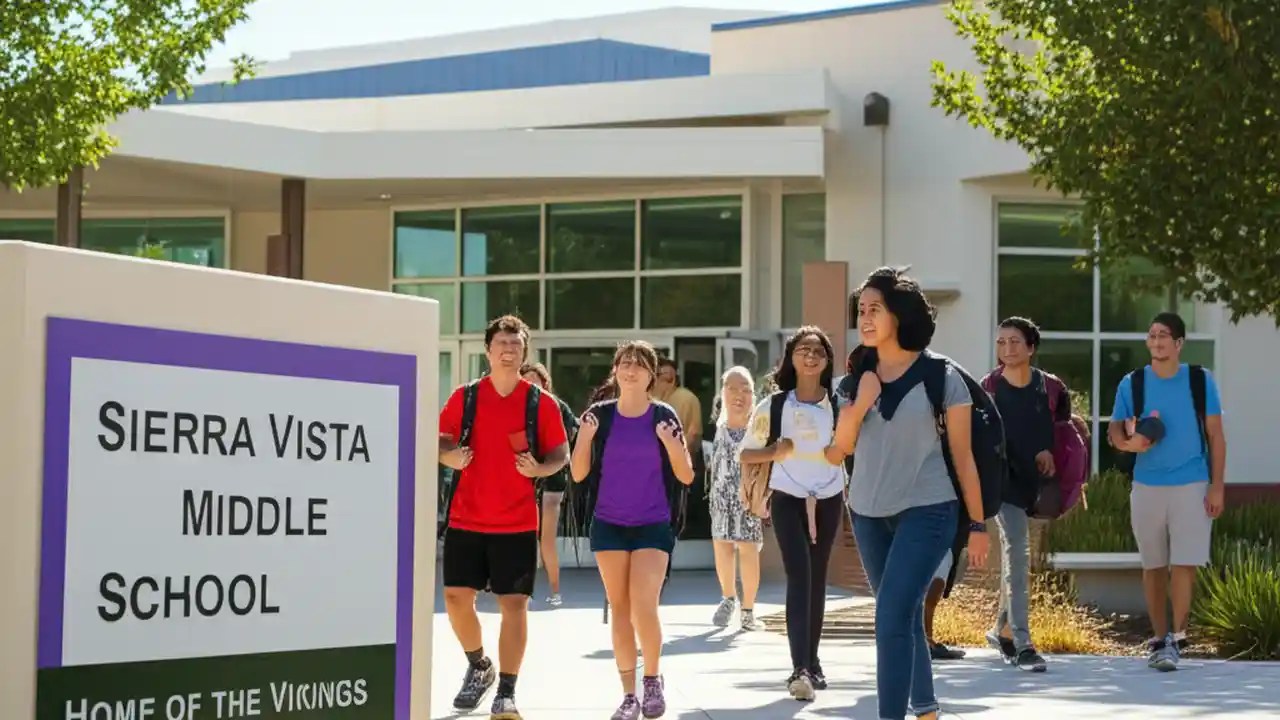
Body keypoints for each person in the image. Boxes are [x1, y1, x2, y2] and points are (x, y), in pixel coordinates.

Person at [834, 267, 990, 720]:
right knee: (900, 616)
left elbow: (964, 458)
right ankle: (926, 709)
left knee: (890, 617)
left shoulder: (942, 377)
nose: (864, 318)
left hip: (929, 509)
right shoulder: (854, 379)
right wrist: (860, 401)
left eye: (874, 309)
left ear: (898, 315)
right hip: (866, 511)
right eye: (860, 310)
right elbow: (837, 451)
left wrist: (977, 523)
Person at [438, 315, 570, 720]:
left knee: (514, 606)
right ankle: (480, 666)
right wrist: (449, 455)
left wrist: (540, 471)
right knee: (456, 600)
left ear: (524, 351)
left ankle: (507, 692)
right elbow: (438, 439)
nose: (509, 349)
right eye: (502, 343)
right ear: (488, 350)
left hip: (516, 522)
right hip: (466, 517)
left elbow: (559, 453)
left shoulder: (540, 403)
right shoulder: (466, 397)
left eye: (516, 344)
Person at [569, 340, 695, 720]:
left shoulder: (664, 415)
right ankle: (628, 695)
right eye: (625, 363)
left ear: (651, 375)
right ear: (615, 371)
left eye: (640, 365)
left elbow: (686, 474)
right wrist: (584, 439)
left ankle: (652, 680)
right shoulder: (598, 417)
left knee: (643, 604)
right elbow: (577, 473)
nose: (631, 370)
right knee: (620, 609)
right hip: (608, 525)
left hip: (652, 525)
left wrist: (672, 446)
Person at [1108, 311, 1226, 672]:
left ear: (1178, 344)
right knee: (1153, 564)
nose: (1157, 341)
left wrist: (1217, 486)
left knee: (1185, 564)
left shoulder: (1199, 381)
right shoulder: (1133, 383)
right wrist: (1129, 445)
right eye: (1152, 335)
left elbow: (1216, 436)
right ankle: (1159, 639)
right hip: (1147, 485)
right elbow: (1115, 431)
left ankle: (1178, 636)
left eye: (1164, 336)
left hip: (1191, 482)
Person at [739, 327, 846, 702]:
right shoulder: (774, 405)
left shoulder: (839, 403)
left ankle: (812, 662)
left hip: (830, 497)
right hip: (787, 497)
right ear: (791, 357)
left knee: (817, 580)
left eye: (819, 350)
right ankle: (799, 668)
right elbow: (746, 453)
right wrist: (775, 452)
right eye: (804, 349)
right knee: (799, 576)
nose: (811, 356)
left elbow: (851, 445)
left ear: (828, 359)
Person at [975, 316, 1060, 671]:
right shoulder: (988, 388)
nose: (1006, 349)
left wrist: (1048, 451)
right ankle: (1024, 643)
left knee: (1016, 554)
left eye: (1014, 342)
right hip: (999, 481)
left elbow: (1060, 431)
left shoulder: (1050, 388)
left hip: (1032, 483)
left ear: (1030, 348)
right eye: (1001, 342)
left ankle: (1000, 630)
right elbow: (977, 438)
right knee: (1018, 550)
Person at [707, 365, 764, 631]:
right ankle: (728, 598)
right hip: (720, 500)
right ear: (723, 393)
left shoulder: (759, 428)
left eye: (746, 389)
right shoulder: (718, 427)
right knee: (722, 547)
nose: (739, 395)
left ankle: (748, 610)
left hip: (748, 500)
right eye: (732, 388)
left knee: (748, 550)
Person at [520, 361, 580, 608]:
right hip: (524, 476)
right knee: (524, 537)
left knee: (546, 539)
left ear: (545, 382)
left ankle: (555, 590)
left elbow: (574, 430)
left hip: (553, 478)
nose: (532, 384)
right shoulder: (516, 406)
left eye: (537, 380)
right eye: (527, 379)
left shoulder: (554, 404)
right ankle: (525, 590)